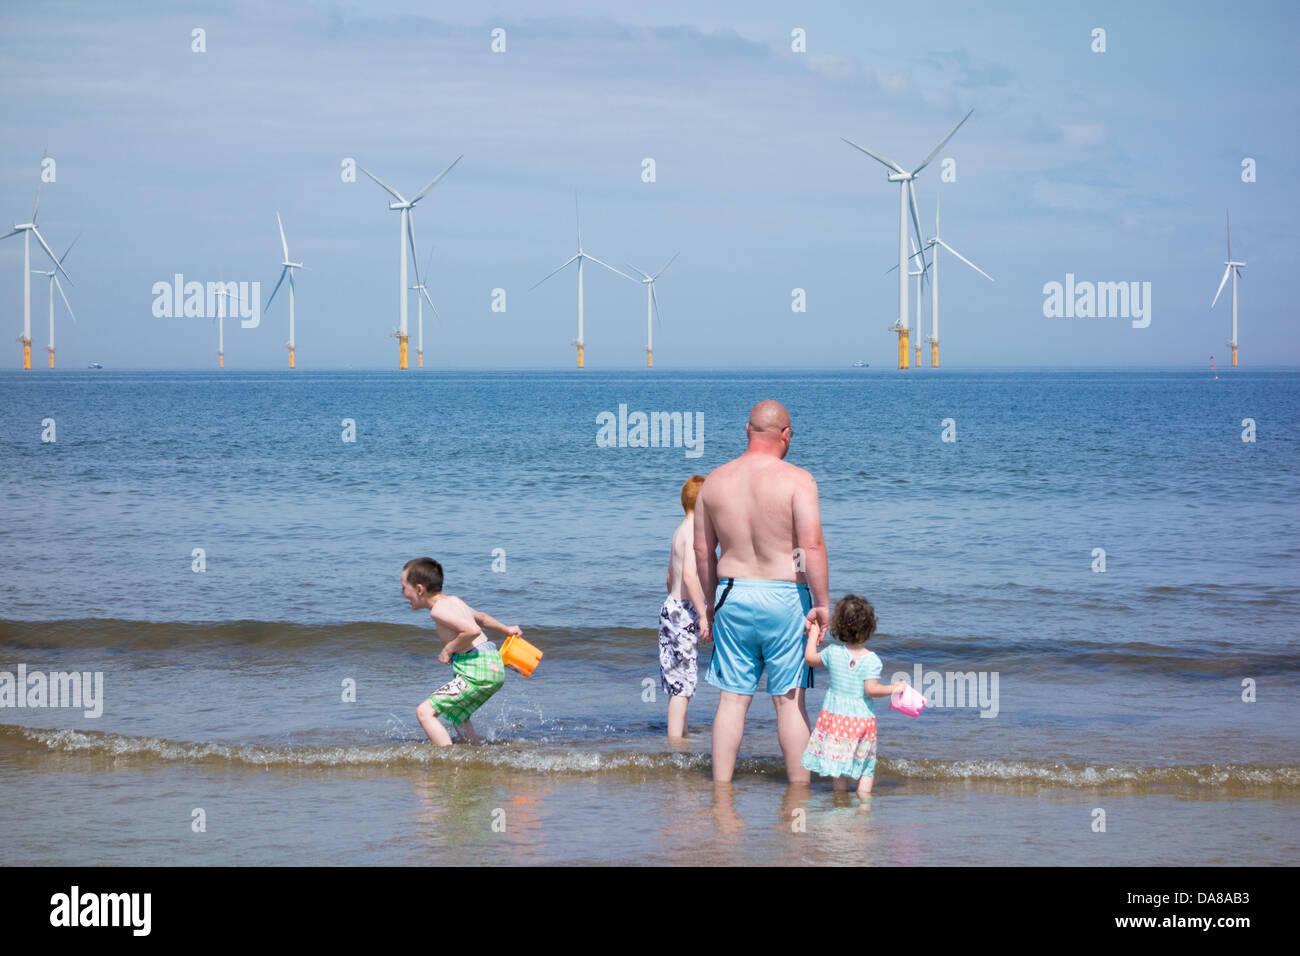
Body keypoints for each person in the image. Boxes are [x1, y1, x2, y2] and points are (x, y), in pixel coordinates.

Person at [693, 399, 830, 783]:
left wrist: (709, 604)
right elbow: (810, 547)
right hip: (786, 595)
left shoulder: (715, 481)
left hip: (732, 592)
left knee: (732, 701)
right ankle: (798, 794)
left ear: (747, 431)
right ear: (785, 435)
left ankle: (721, 792)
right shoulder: (797, 480)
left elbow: (704, 551)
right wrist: (821, 603)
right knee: (789, 702)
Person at [402, 557, 521, 746]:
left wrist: (448, 650)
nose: (402, 593)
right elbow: (481, 618)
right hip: (492, 665)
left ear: (419, 589)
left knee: (424, 713)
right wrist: (507, 629)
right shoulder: (454, 601)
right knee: (456, 714)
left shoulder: (437, 611)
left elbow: (472, 630)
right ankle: (474, 750)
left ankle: (447, 759)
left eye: (404, 587)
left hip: (477, 669)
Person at [801, 595, 906, 797]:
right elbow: (871, 690)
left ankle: (840, 797)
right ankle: (864, 801)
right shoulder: (871, 660)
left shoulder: (833, 653)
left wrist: (813, 634)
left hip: (836, 719)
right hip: (861, 720)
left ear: (838, 626)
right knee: (866, 764)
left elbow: (810, 659)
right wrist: (895, 687)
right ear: (869, 627)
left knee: (839, 762)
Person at [659, 475, 710, 739]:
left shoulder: (680, 529)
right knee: (683, 685)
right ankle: (676, 743)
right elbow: (690, 576)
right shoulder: (693, 533)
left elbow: (670, 576)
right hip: (684, 611)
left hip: (671, 608)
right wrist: (702, 614)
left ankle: (682, 733)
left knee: (677, 679)